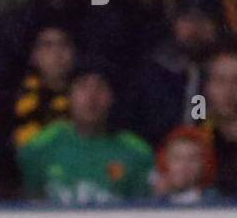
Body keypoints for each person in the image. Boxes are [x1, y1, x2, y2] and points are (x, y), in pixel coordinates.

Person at [19, 66, 153, 204]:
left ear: (112, 97)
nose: (91, 96)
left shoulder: (136, 153)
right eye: (83, 86)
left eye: (100, 87)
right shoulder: (40, 148)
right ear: (69, 94)